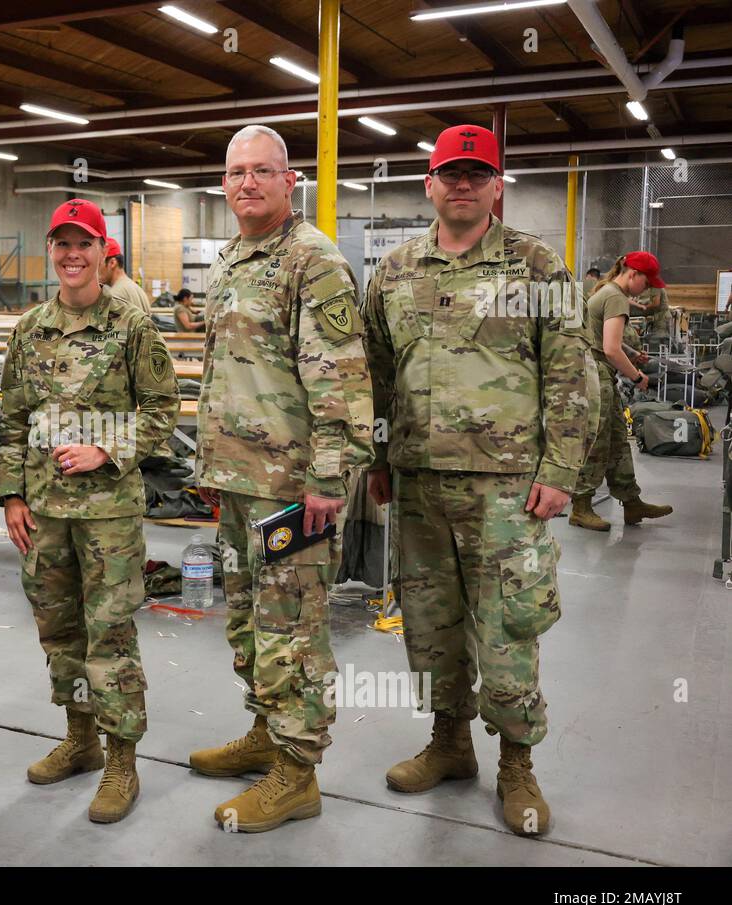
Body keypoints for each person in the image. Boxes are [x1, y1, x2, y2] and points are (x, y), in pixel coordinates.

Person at [362, 125, 599, 837]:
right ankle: (449, 743)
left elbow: (570, 372)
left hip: (508, 488)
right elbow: (376, 374)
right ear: (429, 184)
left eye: (476, 174)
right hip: (419, 485)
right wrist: (378, 458)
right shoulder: (395, 270)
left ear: (498, 186)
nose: (461, 184)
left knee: (508, 629)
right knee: (430, 626)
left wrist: (562, 470)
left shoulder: (537, 266)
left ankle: (517, 764)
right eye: (450, 173)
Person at [189, 124, 375, 832]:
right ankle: (267, 733)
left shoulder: (312, 261)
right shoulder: (233, 257)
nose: (248, 183)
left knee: (290, 626)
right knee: (247, 619)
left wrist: (327, 479)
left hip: (293, 488)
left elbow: (341, 381)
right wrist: (212, 465)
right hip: (240, 480)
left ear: (289, 181)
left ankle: (298, 775)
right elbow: (228, 370)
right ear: (224, 183)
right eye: (237, 172)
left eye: (262, 171)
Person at [0, 198, 178, 824]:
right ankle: (81, 738)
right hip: (44, 512)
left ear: (104, 252)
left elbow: (162, 411)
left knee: (111, 633)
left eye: (85, 244)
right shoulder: (29, 329)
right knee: (60, 631)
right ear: (51, 250)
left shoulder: (132, 327)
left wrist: (107, 449)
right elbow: (13, 419)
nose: (73, 255)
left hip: (108, 516)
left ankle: (122, 760)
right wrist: (11, 494)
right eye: (63, 244)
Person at [570, 252, 673, 531]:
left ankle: (631, 502)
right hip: (596, 375)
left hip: (596, 373)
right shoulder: (616, 297)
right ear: (633, 274)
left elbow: (601, 336)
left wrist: (632, 353)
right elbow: (610, 349)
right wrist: (637, 376)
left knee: (617, 441)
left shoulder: (606, 291)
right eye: (646, 283)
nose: (646, 289)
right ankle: (580, 507)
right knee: (597, 443)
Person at [99, 238, 152, 316]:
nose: (96, 270)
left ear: (112, 263)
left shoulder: (115, 295)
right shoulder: (135, 288)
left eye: (99, 264)